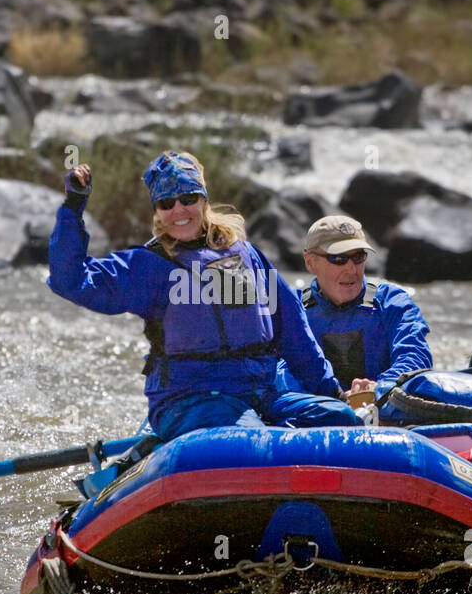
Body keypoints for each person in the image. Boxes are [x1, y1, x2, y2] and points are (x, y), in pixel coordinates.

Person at [47, 152, 359, 440]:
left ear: (203, 201)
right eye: (167, 203)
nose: (178, 210)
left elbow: (293, 331)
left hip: (262, 392)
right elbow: (70, 280)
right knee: (248, 438)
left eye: (188, 198)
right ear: (157, 212)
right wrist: (73, 208)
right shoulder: (148, 266)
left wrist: (330, 391)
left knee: (339, 417)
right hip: (190, 398)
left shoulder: (245, 254)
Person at [281, 215, 433, 402]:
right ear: (310, 262)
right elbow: (276, 371)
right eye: (338, 259)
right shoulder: (291, 310)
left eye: (358, 257)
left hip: (383, 407)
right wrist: (331, 400)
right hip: (316, 413)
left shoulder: (392, 302)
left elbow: (416, 356)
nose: (352, 270)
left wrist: (379, 388)